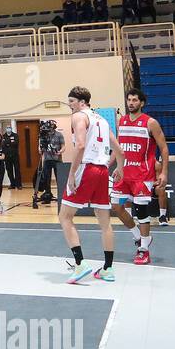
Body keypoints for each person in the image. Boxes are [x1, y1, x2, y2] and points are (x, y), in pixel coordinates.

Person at [58, 88, 125, 284]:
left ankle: (80, 264)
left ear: (82, 102)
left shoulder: (79, 116)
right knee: (105, 223)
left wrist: (71, 174)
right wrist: (119, 168)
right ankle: (108, 269)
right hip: (103, 171)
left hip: (86, 169)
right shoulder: (102, 120)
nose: (69, 104)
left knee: (65, 216)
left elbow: (79, 145)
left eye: (71, 101)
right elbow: (119, 149)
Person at [109, 88, 168, 266]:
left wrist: (164, 172)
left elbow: (164, 148)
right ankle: (140, 237)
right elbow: (119, 148)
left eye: (135, 100)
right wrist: (109, 164)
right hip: (124, 173)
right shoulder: (122, 121)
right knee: (116, 207)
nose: (131, 103)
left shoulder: (150, 123)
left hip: (142, 175)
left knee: (141, 211)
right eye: (129, 100)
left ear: (141, 103)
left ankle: (143, 250)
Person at [32, 120, 63, 208]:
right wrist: (40, 148)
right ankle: (47, 195)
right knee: (46, 179)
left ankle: (61, 197)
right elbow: (40, 149)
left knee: (59, 179)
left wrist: (60, 151)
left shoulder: (59, 135)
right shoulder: (43, 136)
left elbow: (63, 146)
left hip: (58, 160)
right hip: (47, 160)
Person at [1, 125, 22, 190]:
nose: (8, 129)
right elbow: (3, 145)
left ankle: (18, 185)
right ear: (6, 129)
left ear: (11, 128)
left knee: (17, 170)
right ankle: (12, 184)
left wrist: (8, 143)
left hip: (15, 156)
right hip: (7, 156)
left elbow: (16, 143)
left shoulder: (15, 135)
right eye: (7, 128)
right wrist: (10, 142)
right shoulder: (3, 136)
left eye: (9, 127)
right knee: (9, 171)